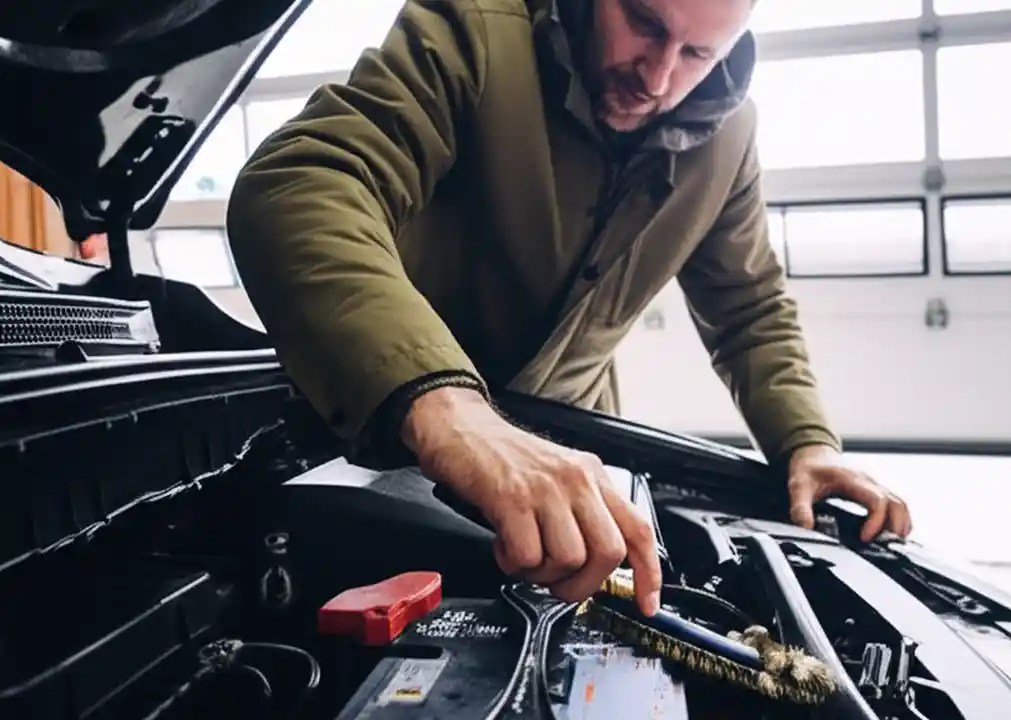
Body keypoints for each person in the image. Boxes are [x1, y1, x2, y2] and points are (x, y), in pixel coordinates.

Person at [226, 0, 912, 618]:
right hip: (394, 433)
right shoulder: (477, 31)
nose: (659, 76)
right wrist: (446, 408)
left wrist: (806, 441)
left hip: (573, 451)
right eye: (644, 23)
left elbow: (750, 309)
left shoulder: (730, 136)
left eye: (699, 54)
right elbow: (303, 184)